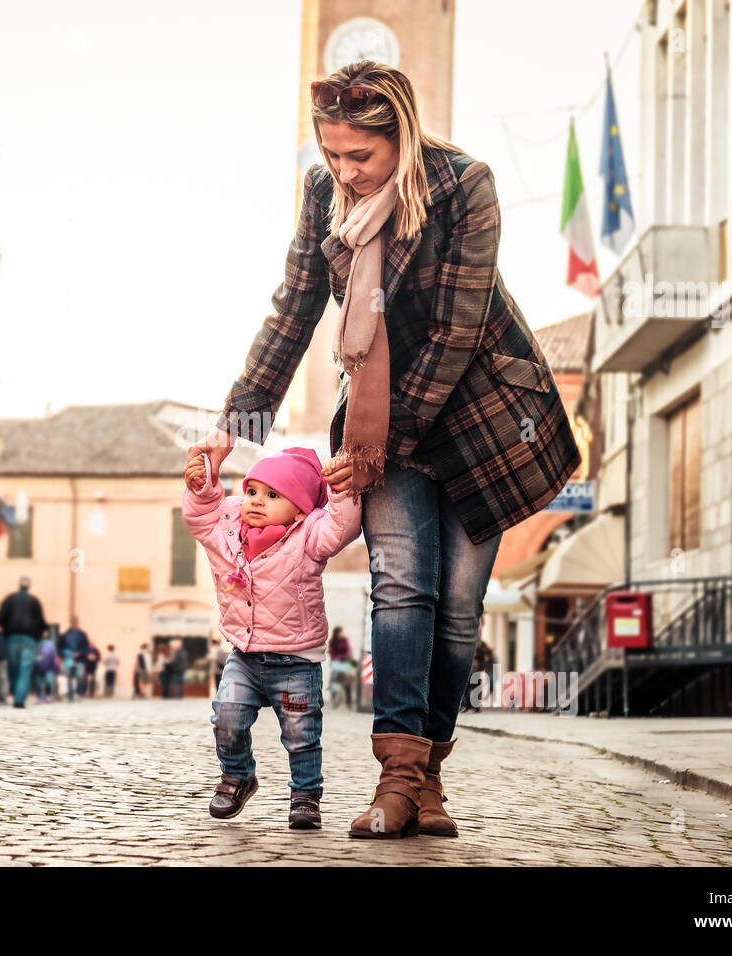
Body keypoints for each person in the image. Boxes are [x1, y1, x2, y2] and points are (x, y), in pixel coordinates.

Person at [188, 62, 579, 840]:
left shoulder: (465, 184)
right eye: (332, 155)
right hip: (380, 424)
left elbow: (457, 330)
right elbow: (294, 308)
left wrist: (385, 439)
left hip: (483, 417)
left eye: (360, 157)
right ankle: (396, 781)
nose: (345, 172)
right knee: (401, 589)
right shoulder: (320, 196)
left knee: (460, 613)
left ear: (400, 135)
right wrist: (238, 423)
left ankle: (429, 780)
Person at [184, 445, 362, 829]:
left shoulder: (309, 537)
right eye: (252, 492)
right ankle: (237, 776)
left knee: (301, 734)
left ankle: (305, 795)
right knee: (226, 717)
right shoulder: (228, 531)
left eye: (272, 495)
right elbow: (199, 518)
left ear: (299, 508)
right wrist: (203, 487)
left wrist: (340, 490)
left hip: (297, 660)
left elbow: (341, 526)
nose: (256, 502)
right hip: (244, 657)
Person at [0, 577, 47, 708]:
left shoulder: (10, 599)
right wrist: (38, 636)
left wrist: (6, 630)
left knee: (13, 668)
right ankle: (19, 698)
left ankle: (16, 693)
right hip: (29, 639)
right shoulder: (34, 601)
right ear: (29, 586)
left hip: (12, 637)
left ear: (19, 585)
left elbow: (1, 618)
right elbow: (41, 622)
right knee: (24, 669)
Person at [59, 617, 90, 700]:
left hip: (79, 659)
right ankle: (70, 695)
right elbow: (60, 647)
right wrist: (65, 653)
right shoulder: (65, 634)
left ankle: (79, 693)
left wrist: (79, 653)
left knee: (79, 677)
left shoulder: (82, 634)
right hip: (68, 659)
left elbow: (87, 648)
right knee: (69, 676)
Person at [328, 626, 356, 710]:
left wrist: (346, 658)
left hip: (345, 663)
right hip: (336, 663)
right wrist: (336, 659)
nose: (341, 633)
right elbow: (331, 652)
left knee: (347, 683)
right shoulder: (332, 641)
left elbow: (348, 650)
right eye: (340, 632)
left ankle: (349, 702)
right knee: (334, 681)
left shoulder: (345, 640)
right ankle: (333, 700)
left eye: (341, 632)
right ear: (336, 633)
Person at [34, 634, 59, 704]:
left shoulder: (48, 645)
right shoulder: (38, 643)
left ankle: (44, 697)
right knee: (42, 682)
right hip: (45, 666)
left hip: (44, 666)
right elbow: (54, 657)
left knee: (43, 682)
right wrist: (55, 668)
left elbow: (54, 656)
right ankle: (43, 697)